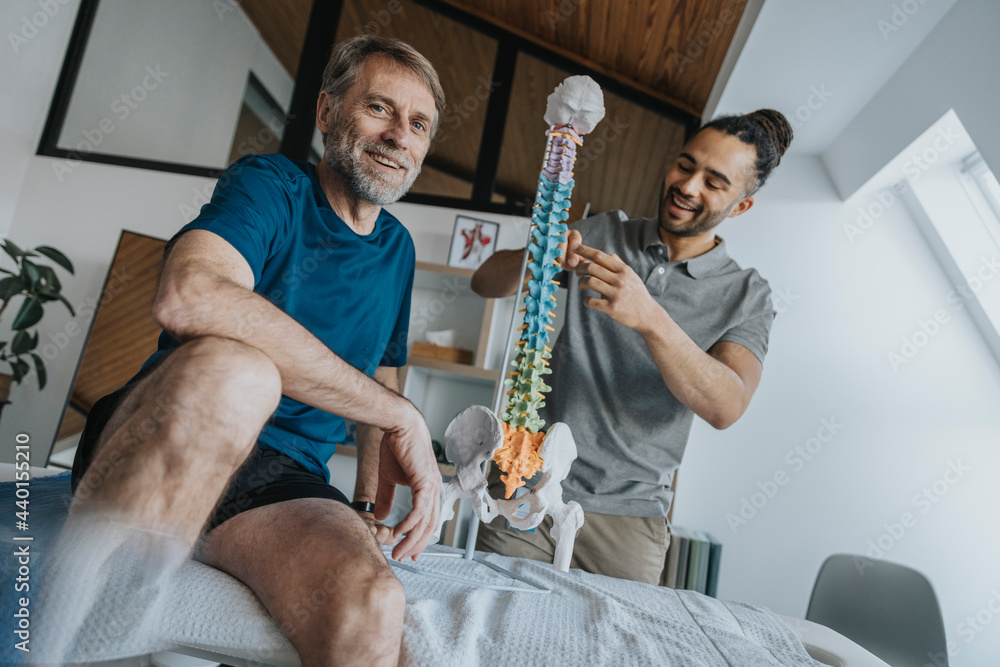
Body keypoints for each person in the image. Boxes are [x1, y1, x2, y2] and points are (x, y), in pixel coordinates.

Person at [63, 36, 444, 666]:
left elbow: (382, 383)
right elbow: (190, 296)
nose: (400, 135)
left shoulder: (397, 252)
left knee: (372, 603)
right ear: (327, 114)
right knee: (242, 374)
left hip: (280, 479)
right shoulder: (271, 184)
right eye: (380, 109)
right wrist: (400, 415)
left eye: (419, 124)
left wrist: (367, 509)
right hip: (179, 431)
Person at [471, 110, 793, 585]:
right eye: (686, 166)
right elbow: (485, 282)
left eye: (714, 181)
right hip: (527, 488)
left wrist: (649, 318)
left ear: (741, 205)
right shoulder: (603, 232)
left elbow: (727, 405)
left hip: (629, 523)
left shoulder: (748, 294)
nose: (688, 185)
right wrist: (539, 252)